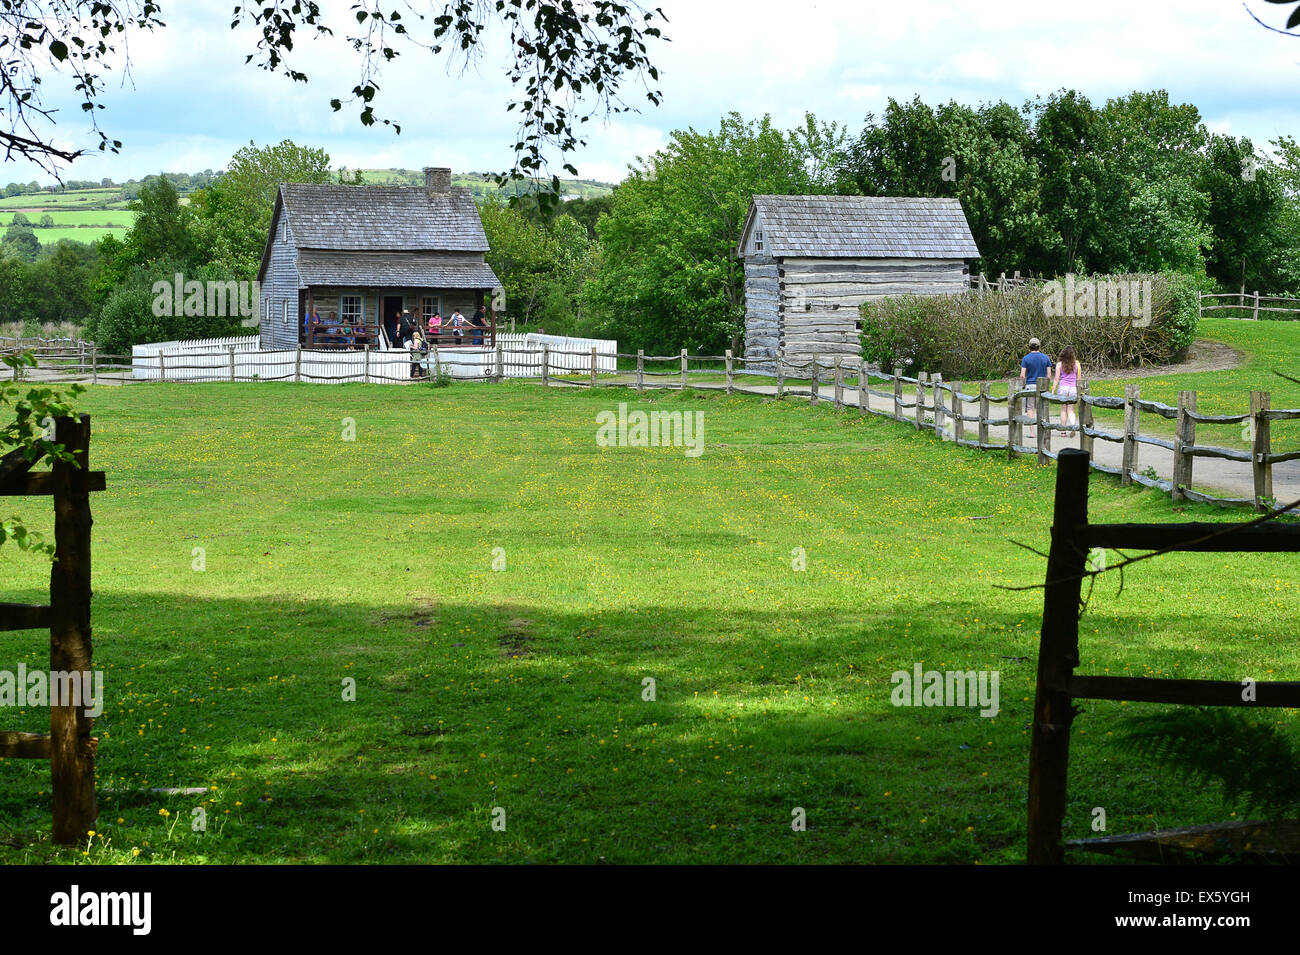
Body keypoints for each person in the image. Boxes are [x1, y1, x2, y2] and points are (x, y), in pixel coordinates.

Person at [1019, 337, 1053, 426]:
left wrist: (1023, 385)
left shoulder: (1026, 358)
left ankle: (1032, 433)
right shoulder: (1046, 358)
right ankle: (1042, 428)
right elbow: (1049, 375)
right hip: (1042, 386)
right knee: (1042, 407)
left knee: (1030, 408)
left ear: (1029, 347)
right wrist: (1046, 386)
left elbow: (1022, 375)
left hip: (1030, 385)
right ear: (1039, 346)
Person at [1050, 345, 1081, 431]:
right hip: (1073, 388)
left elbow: (1056, 379)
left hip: (1063, 388)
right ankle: (1072, 426)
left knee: (1063, 410)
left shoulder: (1059, 364)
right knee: (1071, 410)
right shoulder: (1077, 365)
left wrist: (1053, 390)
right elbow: (1079, 379)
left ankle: (1063, 431)